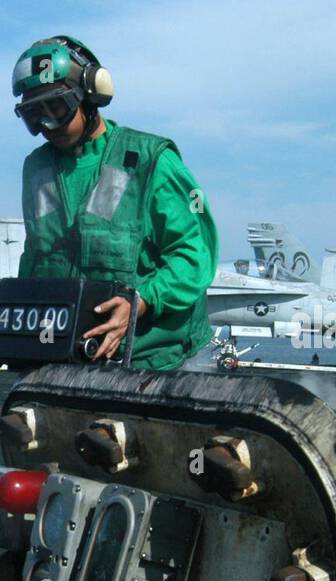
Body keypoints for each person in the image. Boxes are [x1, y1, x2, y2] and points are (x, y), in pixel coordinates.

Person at [12, 35, 217, 370]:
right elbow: (36, 256)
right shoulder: (37, 170)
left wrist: (140, 301)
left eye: (58, 108)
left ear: (91, 93)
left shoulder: (150, 161)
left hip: (154, 363)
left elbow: (194, 258)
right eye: (33, 115)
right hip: (68, 358)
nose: (47, 125)